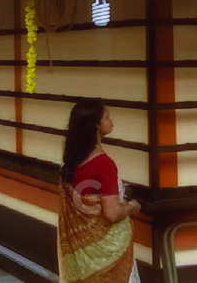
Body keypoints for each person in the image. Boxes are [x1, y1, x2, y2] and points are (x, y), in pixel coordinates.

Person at [58, 101, 141, 283]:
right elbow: (111, 213)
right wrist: (131, 206)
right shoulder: (103, 164)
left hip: (81, 256)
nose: (112, 120)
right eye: (107, 116)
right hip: (108, 256)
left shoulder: (70, 162)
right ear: (96, 124)